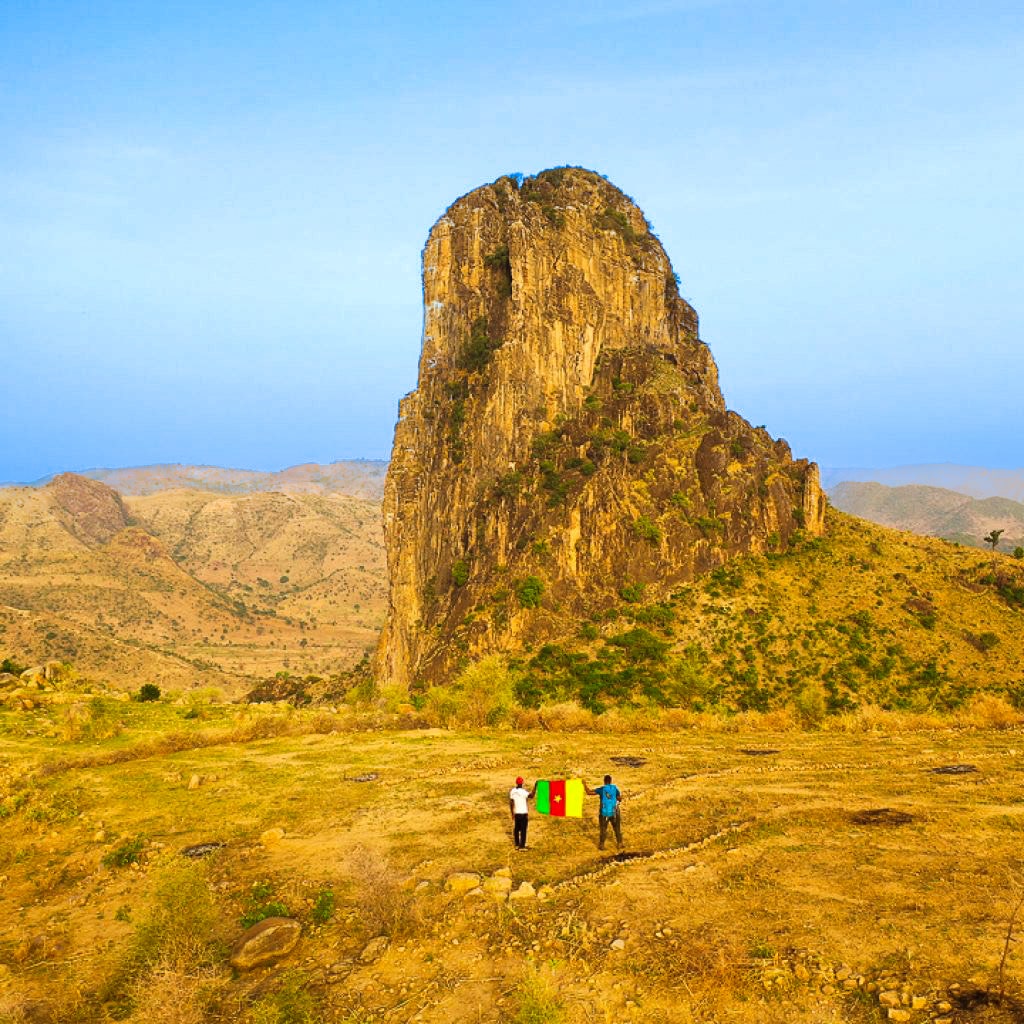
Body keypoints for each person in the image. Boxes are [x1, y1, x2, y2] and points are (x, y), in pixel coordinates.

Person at [585, 774, 622, 850]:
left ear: (604, 781)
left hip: (604, 813)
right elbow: (619, 799)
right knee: (617, 828)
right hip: (614, 812)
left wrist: (584, 784)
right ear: (611, 781)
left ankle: (602, 845)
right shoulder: (615, 788)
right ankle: (619, 843)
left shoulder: (602, 789)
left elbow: (589, 792)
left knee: (603, 829)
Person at [508, 776, 534, 849]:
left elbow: (511, 803)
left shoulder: (513, 791)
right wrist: (535, 786)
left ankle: (517, 844)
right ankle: (522, 846)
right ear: (522, 783)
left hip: (517, 813)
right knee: (523, 830)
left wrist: (512, 813)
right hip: (523, 814)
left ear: (516, 783)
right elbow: (531, 796)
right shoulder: (523, 792)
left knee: (516, 829)